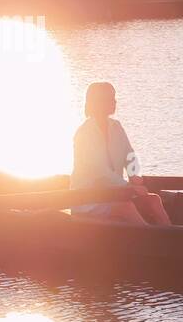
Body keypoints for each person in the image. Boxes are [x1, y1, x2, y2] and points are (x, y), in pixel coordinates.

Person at [70, 82, 171, 225]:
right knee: (125, 207)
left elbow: (130, 156)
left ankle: (171, 235)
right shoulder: (84, 134)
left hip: (114, 195)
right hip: (88, 199)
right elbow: (100, 172)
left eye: (114, 98)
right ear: (96, 102)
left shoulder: (116, 127)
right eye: (109, 98)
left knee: (153, 200)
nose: (114, 102)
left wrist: (134, 176)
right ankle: (151, 239)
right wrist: (129, 187)